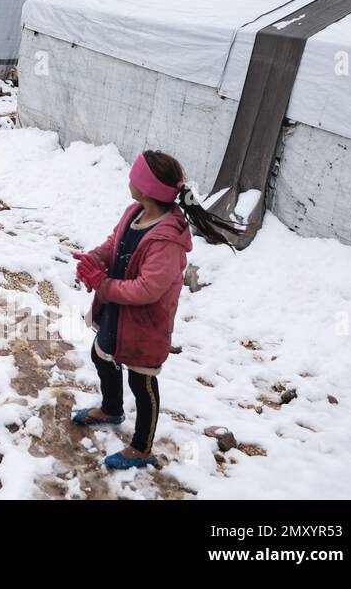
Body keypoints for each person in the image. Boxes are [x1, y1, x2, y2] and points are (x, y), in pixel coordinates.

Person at [71, 150, 240, 469]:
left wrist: (103, 284)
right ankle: (111, 409)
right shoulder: (134, 211)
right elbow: (114, 243)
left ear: (148, 188)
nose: (129, 180)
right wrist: (95, 259)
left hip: (145, 324)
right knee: (100, 354)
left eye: (134, 176)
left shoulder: (167, 240)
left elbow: (148, 289)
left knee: (143, 382)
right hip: (118, 313)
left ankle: (141, 448)